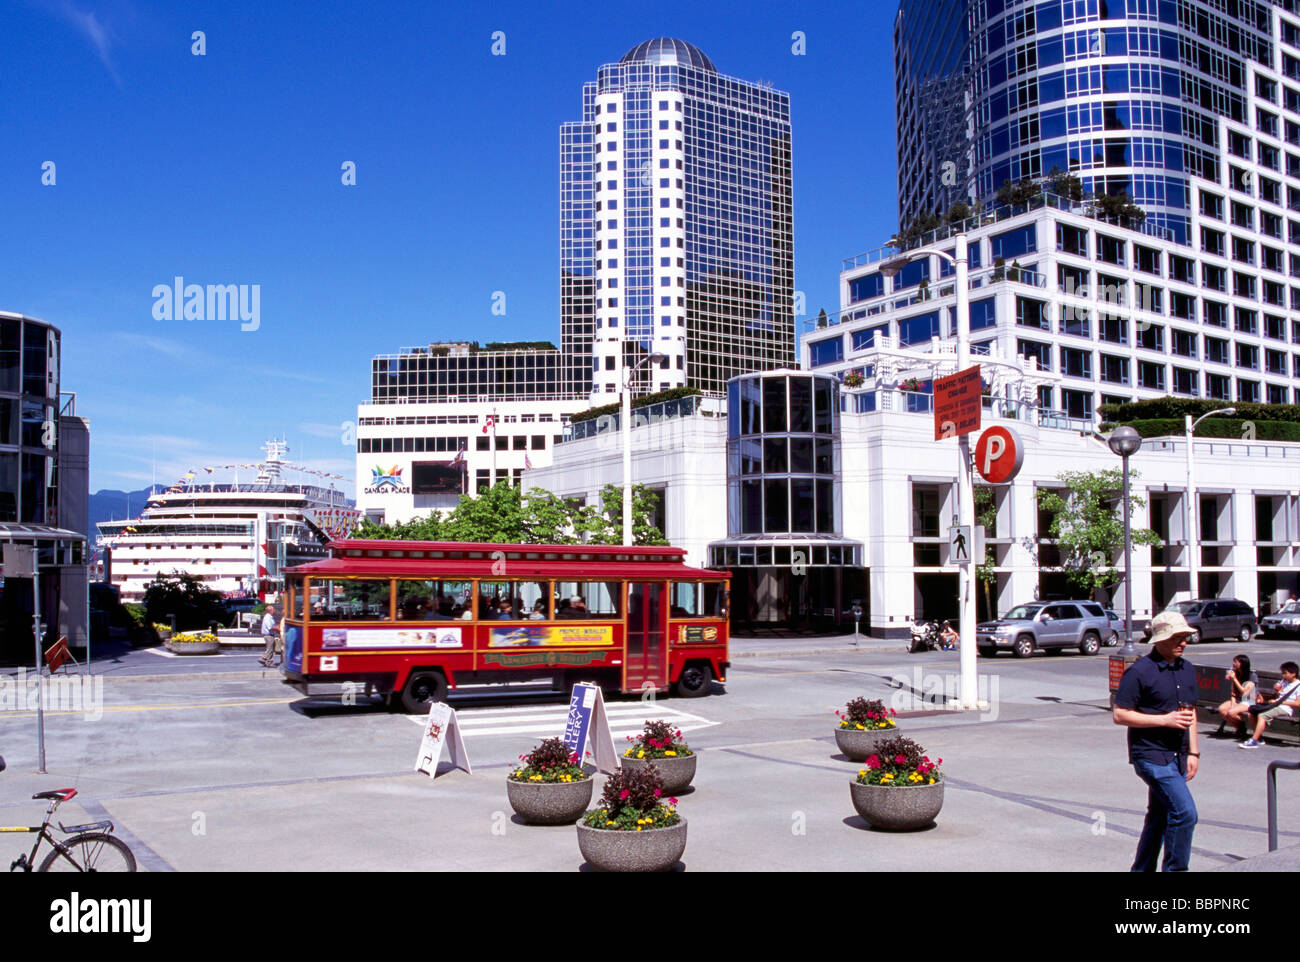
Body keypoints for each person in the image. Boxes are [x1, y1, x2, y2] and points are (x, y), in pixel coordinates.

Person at [1113, 610, 1200, 872]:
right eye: (1176, 638)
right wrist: (1164, 720)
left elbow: (1190, 712)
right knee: (1185, 813)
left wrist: (1194, 752)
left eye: (1185, 637)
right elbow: (1120, 715)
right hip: (1150, 756)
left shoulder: (1187, 669)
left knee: (1159, 817)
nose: (1182, 643)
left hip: (1178, 757)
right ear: (1160, 639)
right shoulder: (1139, 672)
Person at [1240, 661, 1300, 749]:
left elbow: (1297, 703)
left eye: (1285, 673)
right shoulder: (1285, 682)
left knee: (1262, 715)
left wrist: (1279, 702)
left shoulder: (1298, 686)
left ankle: (1254, 740)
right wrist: (1277, 689)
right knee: (1252, 712)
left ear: (1293, 674)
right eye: (1282, 673)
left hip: (1285, 708)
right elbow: (1279, 692)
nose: (1283, 675)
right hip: (1275, 705)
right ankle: (1259, 738)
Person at [1215, 654, 1257, 737]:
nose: (1233, 664)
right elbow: (1233, 692)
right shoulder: (1236, 673)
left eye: (1235, 662)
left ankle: (1241, 726)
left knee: (1231, 713)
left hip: (1248, 700)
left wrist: (1234, 679)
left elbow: (1244, 691)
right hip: (1238, 700)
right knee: (1222, 709)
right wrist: (1233, 703)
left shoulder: (1252, 675)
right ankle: (1240, 727)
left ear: (1242, 663)